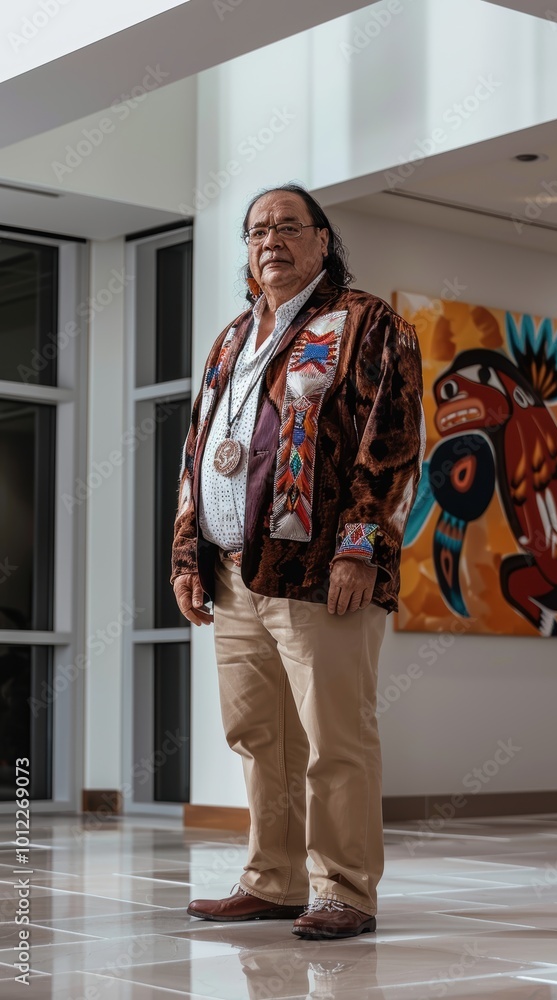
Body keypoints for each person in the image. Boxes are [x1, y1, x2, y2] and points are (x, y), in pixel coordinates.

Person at [171, 183, 425, 940]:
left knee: (334, 737)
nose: (269, 240)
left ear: (321, 239)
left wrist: (359, 548)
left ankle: (344, 890)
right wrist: (187, 550)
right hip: (231, 570)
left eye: (287, 226)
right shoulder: (229, 339)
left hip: (320, 569)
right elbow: (195, 455)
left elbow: (392, 445)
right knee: (258, 735)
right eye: (256, 231)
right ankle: (273, 881)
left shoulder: (365, 322)